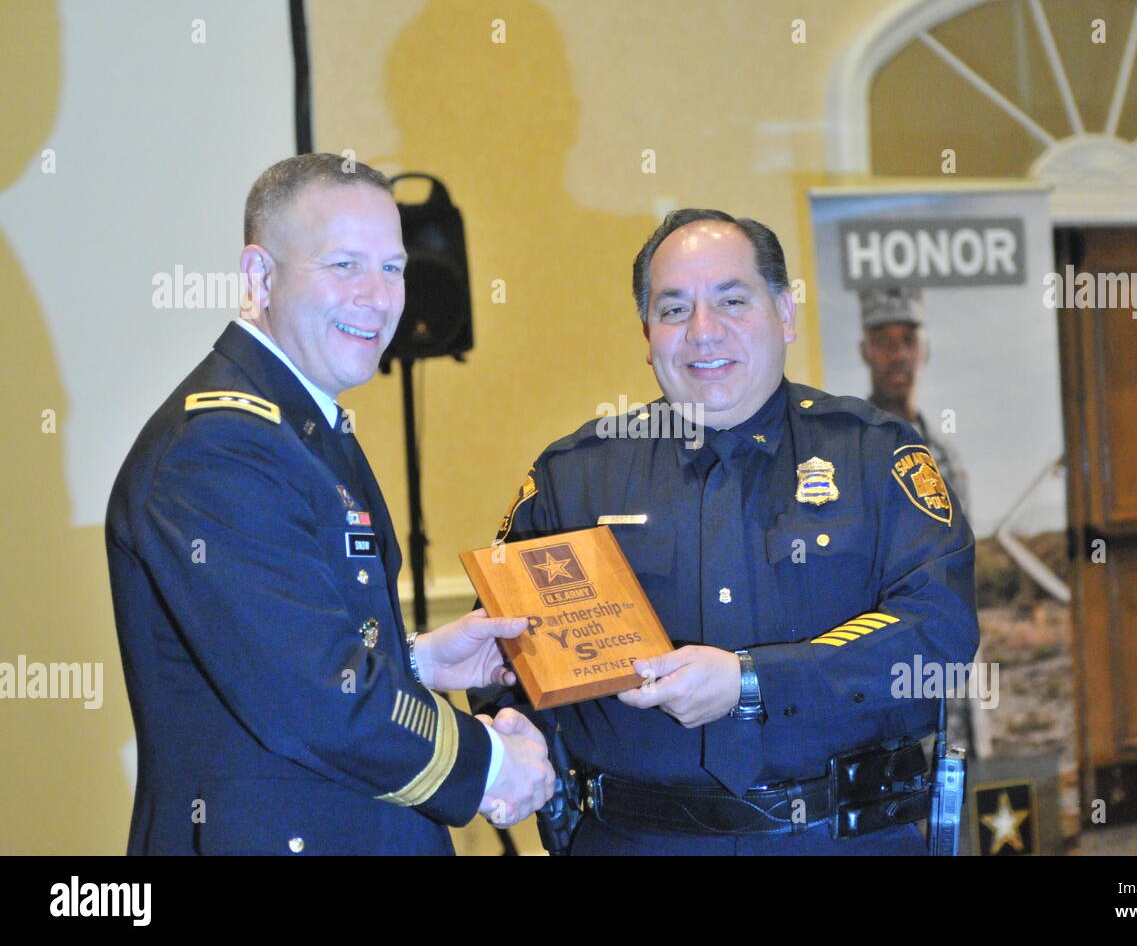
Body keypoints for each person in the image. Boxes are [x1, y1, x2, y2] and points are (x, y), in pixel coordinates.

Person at [490, 209, 978, 854]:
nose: (703, 332)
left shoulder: (874, 454)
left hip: (842, 839)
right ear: (648, 335)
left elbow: (939, 634)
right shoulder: (575, 477)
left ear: (785, 314)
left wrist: (755, 681)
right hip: (636, 839)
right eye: (674, 310)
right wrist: (515, 735)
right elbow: (506, 648)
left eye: (731, 300)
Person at [106, 152, 552, 855]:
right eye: (344, 265)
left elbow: (287, 647)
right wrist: (491, 764)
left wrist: (417, 661)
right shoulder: (219, 447)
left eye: (393, 268)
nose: (378, 297)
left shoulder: (299, 423)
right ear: (260, 277)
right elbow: (312, 696)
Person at [858, 286, 969, 509]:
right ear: (865, 352)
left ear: (925, 350)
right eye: (883, 341)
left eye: (908, 340)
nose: (898, 355)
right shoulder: (843, 447)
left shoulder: (946, 458)